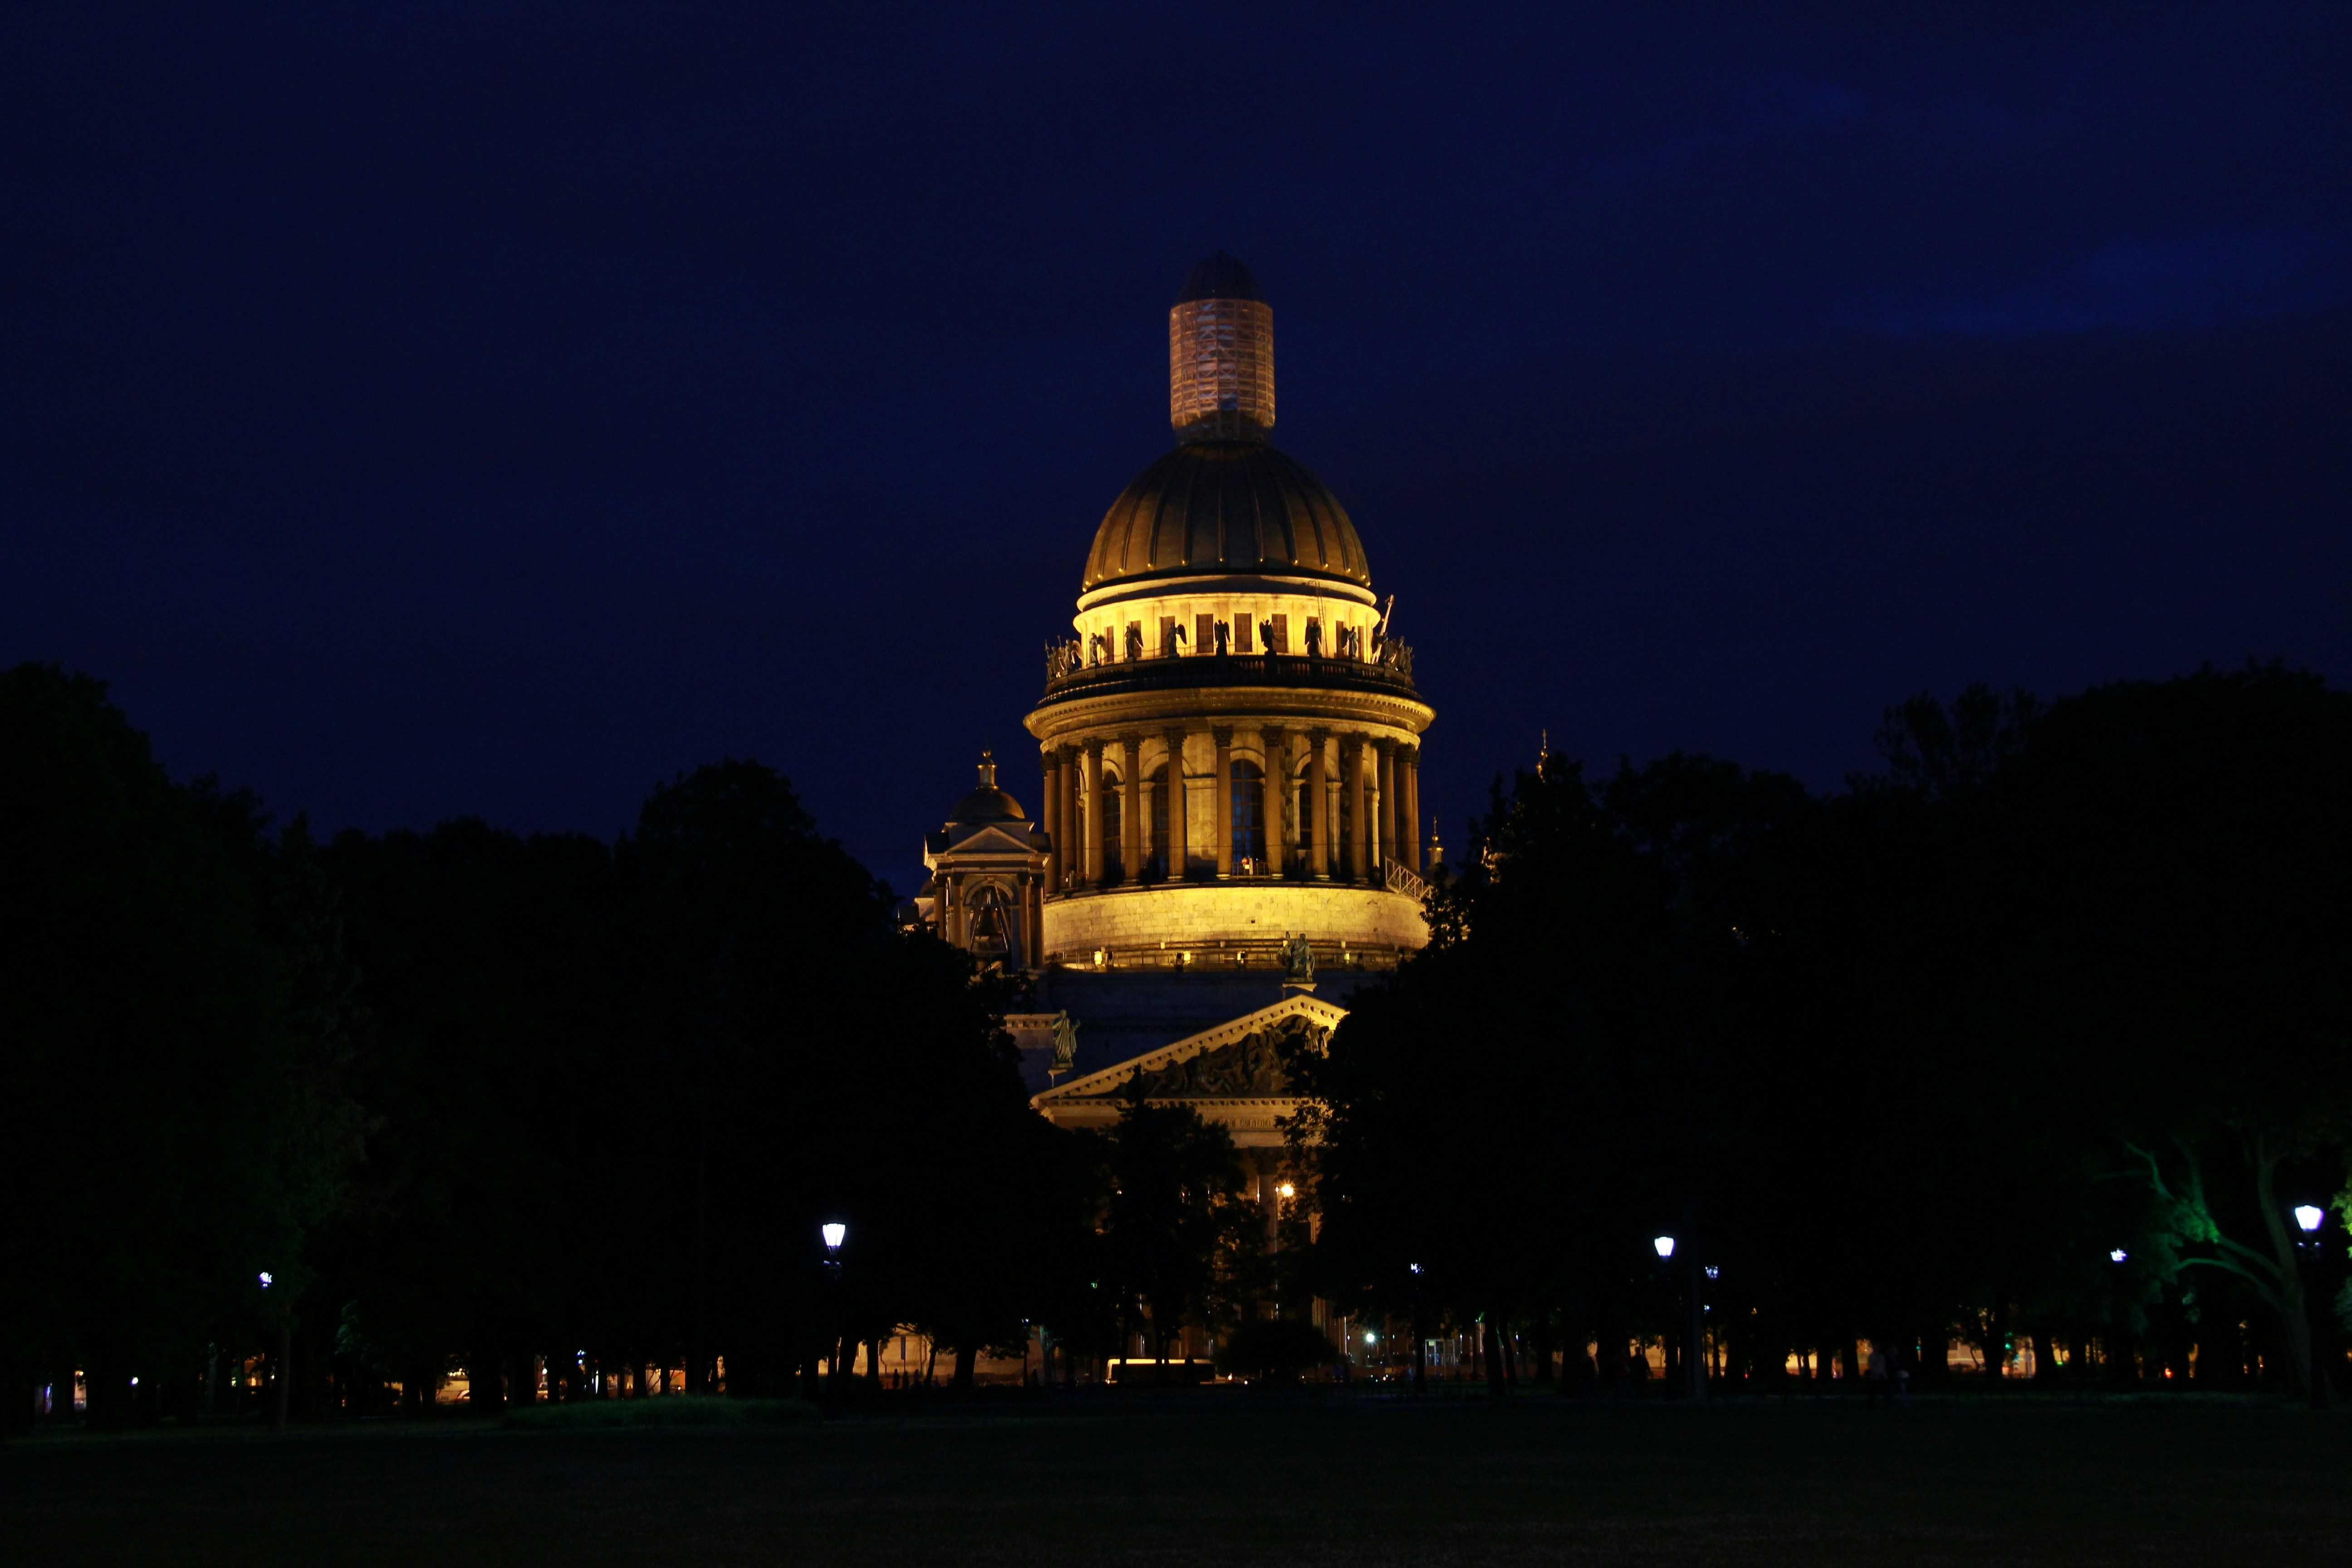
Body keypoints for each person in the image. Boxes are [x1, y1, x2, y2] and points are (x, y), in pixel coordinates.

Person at [1865, 1342, 1890, 1407]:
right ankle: (1872, 1404)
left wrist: (1885, 1375)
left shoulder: (1881, 1356)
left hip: (1881, 1375)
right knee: (1873, 1390)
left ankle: (1886, 1402)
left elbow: (1883, 1367)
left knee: (1885, 1390)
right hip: (1875, 1376)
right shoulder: (1872, 1356)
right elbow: (1872, 1366)